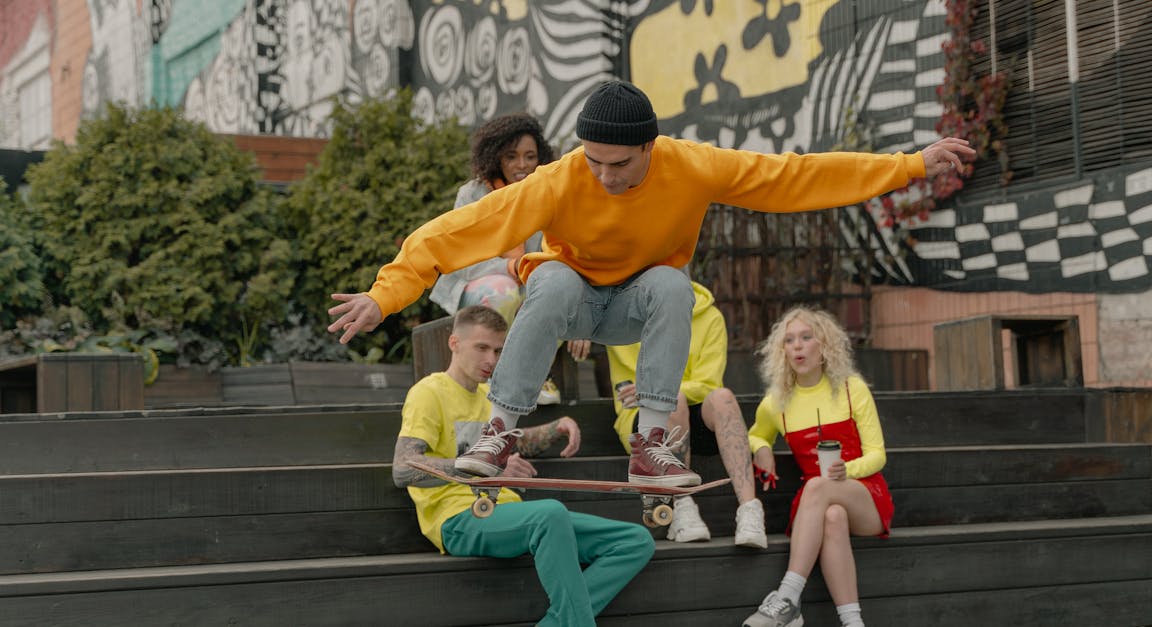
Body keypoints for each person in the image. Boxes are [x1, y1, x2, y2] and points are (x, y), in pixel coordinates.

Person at [329, 79, 975, 489]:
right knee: (548, 281)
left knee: (672, 284)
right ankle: (498, 430)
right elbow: (460, 229)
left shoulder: (691, 166)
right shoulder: (559, 178)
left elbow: (792, 177)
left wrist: (909, 165)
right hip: (573, 301)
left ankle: (652, 443)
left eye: (619, 165)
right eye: (593, 162)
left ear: (650, 148)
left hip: (636, 306)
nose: (604, 177)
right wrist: (385, 292)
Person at [392, 305, 655, 627]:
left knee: (634, 541)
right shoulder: (429, 393)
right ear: (454, 343)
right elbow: (403, 468)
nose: (491, 359)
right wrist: (484, 468)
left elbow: (513, 441)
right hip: (458, 520)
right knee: (550, 513)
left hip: (508, 514)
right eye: (482, 348)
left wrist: (555, 428)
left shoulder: (491, 396)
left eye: (499, 350)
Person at [741, 305, 895, 627]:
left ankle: (787, 597)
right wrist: (763, 448)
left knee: (819, 488)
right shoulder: (776, 403)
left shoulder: (854, 389)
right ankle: (853, 622)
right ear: (782, 351)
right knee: (832, 516)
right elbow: (755, 434)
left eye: (806, 337)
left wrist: (846, 471)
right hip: (818, 503)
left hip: (865, 493)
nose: (797, 345)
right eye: (789, 340)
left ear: (824, 345)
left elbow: (878, 454)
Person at [607, 279, 766, 548]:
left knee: (723, 398)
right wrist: (578, 334)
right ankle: (681, 505)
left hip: (692, 414)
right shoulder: (620, 311)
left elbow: (708, 383)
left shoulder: (710, 316)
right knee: (673, 399)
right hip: (642, 423)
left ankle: (750, 509)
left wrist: (655, 388)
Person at [429, 112, 554, 325]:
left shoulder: (547, 194)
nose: (522, 164)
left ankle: (516, 357)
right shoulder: (471, 195)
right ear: (496, 157)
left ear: (540, 159)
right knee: (503, 293)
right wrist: (511, 267)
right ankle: (496, 357)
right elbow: (462, 262)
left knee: (550, 301)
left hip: (528, 288)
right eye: (511, 156)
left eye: (530, 156)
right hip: (478, 286)